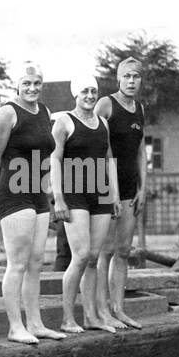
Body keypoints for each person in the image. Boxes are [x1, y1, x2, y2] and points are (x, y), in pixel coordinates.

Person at [0, 62, 65, 345]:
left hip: (37, 191)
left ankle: (35, 322)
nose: (32, 88)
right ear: (17, 85)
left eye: (37, 83)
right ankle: (15, 326)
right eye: (26, 83)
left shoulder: (45, 112)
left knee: (36, 262)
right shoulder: (6, 113)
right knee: (18, 262)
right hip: (12, 190)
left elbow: (49, 155)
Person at [50, 74, 121, 333]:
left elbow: (109, 158)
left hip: (100, 193)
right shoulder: (64, 122)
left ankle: (91, 316)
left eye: (93, 91)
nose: (90, 96)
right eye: (85, 92)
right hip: (74, 194)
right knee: (79, 256)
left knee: (93, 257)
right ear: (75, 95)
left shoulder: (103, 122)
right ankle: (67, 318)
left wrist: (114, 194)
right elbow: (54, 160)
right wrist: (57, 197)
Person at [95, 57, 146, 328]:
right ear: (118, 78)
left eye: (136, 76)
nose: (131, 81)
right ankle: (102, 310)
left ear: (141, 80)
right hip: (105, 186)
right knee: (104, 251)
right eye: (126, 76)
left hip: (129, 187)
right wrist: (110, 192)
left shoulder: (139, 109)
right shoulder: (106, 104)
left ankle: (119, 308)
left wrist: (143, 188)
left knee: (123, 251)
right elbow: (96, 144)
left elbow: (140, 152)